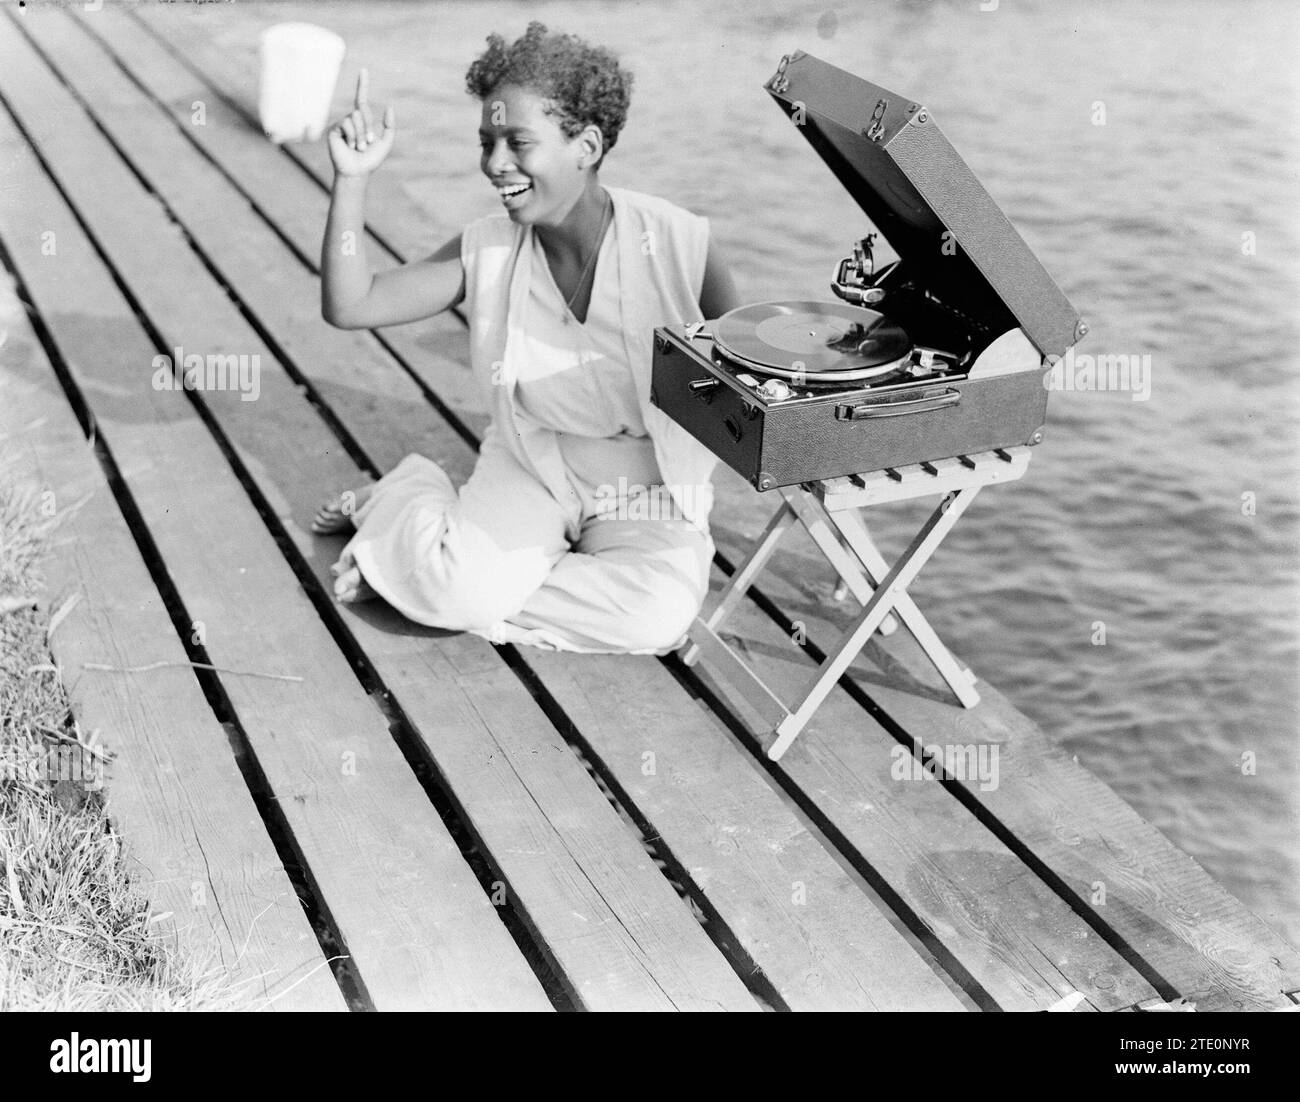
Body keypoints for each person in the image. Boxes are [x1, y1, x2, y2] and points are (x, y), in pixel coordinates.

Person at [315, 22, 741, 654]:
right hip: (533, 464)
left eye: (518, 142)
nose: (494, 164)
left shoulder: (680, 243)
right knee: (471, 593)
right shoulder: (487, 246)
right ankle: (411, 496)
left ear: (587, 145)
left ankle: (437, 573)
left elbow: (753, 375)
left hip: (645, 485)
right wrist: (352, 179)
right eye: (486, 142)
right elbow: (351, 305)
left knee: (654, 618)